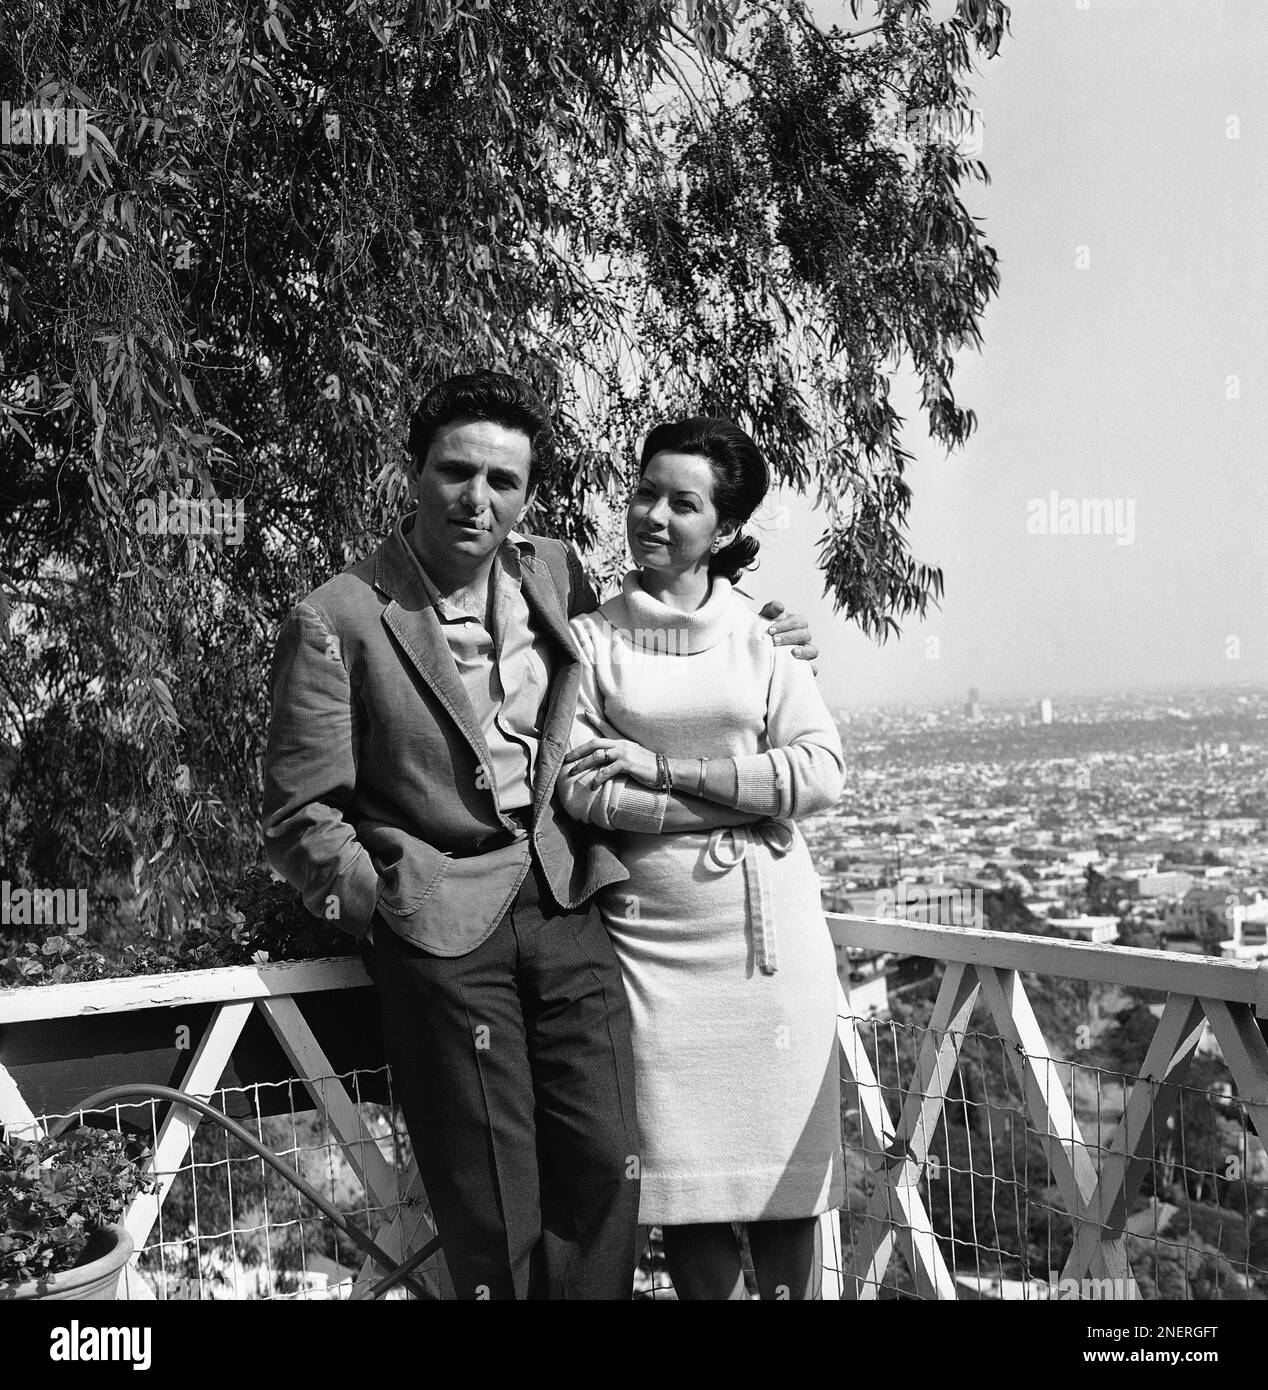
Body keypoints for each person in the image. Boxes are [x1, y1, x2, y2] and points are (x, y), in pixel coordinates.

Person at [261, 372, 818, 1299]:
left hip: (569, 898)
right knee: (491, 1189)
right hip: (440, 925)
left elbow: (664, 621)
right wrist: (386, 909)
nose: (477, 499)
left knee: (609, 1162)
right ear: (411, 473)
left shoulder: (552, 573)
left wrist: (763, 620)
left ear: (527, 495)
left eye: (504, 482)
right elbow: (297, 817)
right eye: (456, 471)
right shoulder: (340, 617)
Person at [559, 416, 845, 1300]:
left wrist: (667, 771)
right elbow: (582, 789)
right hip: (656, 955)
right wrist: (733, 798)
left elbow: (821, 772)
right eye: (644, 491)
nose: (652, 514)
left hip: (773, 956)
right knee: (689, 1192)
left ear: (722, 530)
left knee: (787, 1190)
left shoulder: (763, 634)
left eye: (682, 503)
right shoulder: (589, 639)